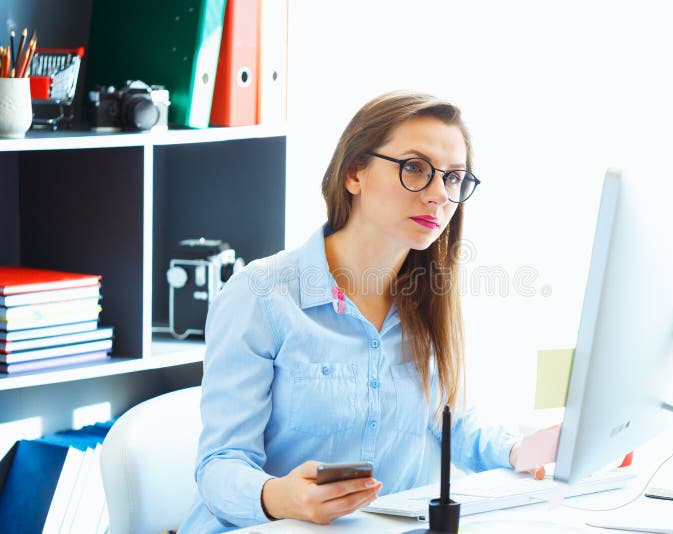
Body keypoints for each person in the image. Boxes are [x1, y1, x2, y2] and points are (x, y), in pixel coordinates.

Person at [180, 91, 560, 533]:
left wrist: (522, 450)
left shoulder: (429, 302)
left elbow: (451, 421)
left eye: (454, 178)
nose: (439, 195)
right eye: (415, 168)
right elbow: (220, 465)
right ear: (354, 173)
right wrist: (283, 497)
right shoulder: (261, 296)